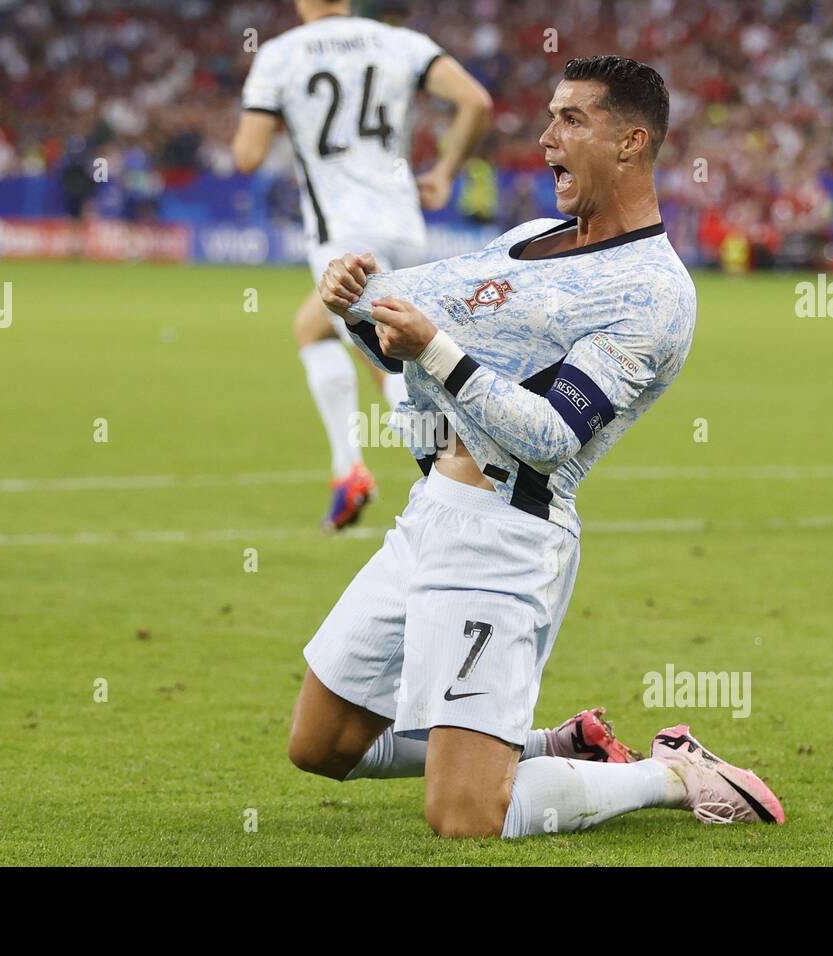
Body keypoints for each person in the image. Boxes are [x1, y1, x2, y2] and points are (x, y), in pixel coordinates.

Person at [295, 56, 784, 838]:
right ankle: (557, 747)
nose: (547, 137)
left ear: (630, 142)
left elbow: (553, 436)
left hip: (505, 537)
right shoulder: (530, 237)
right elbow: (408, 335)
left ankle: (671, 773)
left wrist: (434, 348)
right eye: (551, 116)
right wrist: (357, 304)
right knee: (320, 745)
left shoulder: (654, 293)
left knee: (464, 815)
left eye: (572, 120)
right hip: (429, 514)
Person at [232, 0, 492, 531]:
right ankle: (347, 469)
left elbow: (248, 155)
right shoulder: (399, 42)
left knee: (390, 364)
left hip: (342, 234)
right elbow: (476, 101)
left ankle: (461, 485)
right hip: (405, 226)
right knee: (312, 329)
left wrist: (289, 115)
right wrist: (445, 172)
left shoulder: (280, 55)